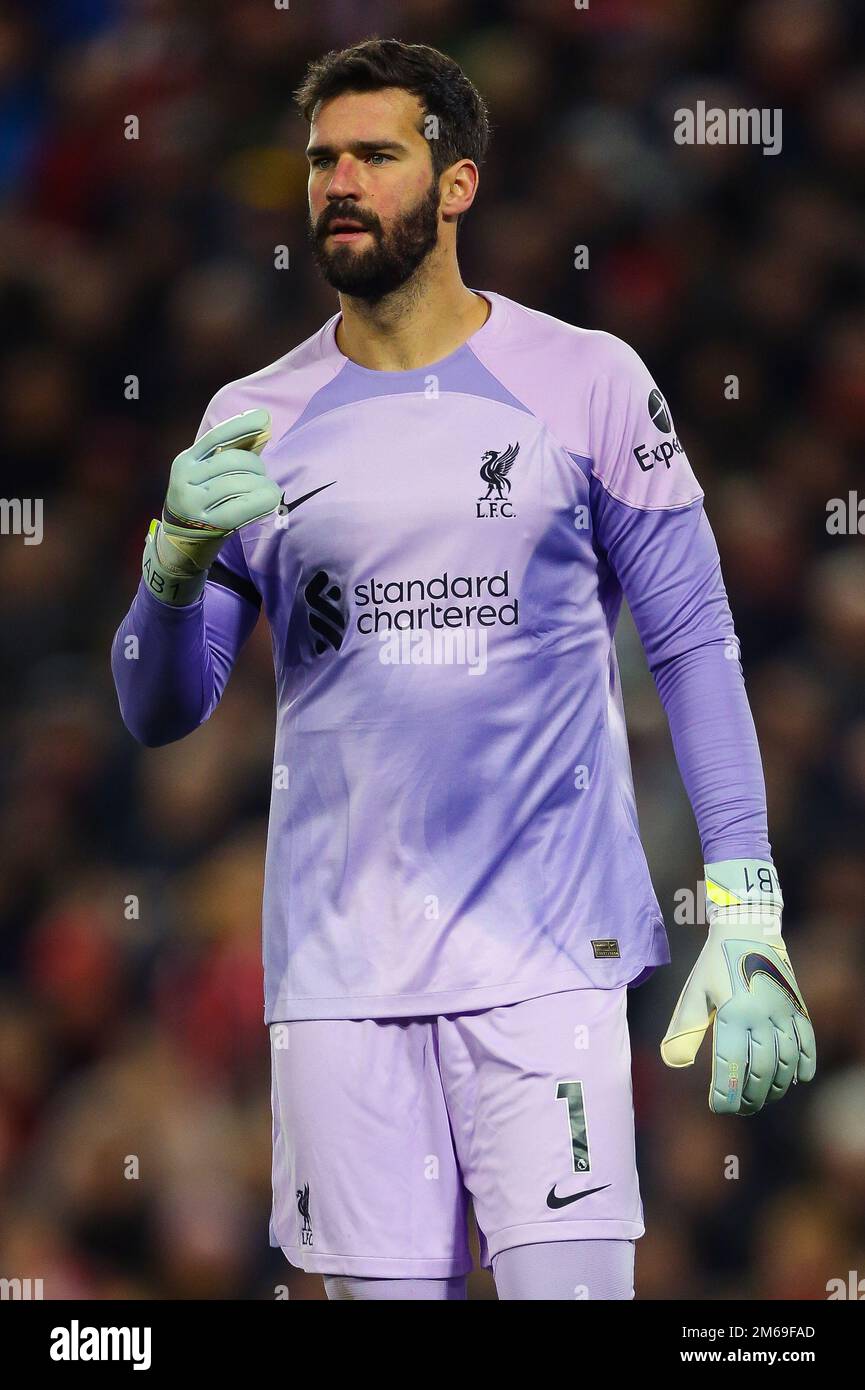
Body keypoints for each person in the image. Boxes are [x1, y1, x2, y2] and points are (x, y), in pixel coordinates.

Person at [111, 38, 815, 1301]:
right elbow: (162, 709)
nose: (339, 181)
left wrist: (747, 907)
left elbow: (696, 641)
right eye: (324, 159)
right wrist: (170, 566)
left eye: (375, 155)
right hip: (339, 982)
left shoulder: (587, 383)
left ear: (455, 184)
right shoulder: (249, 416)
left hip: (545, 962)